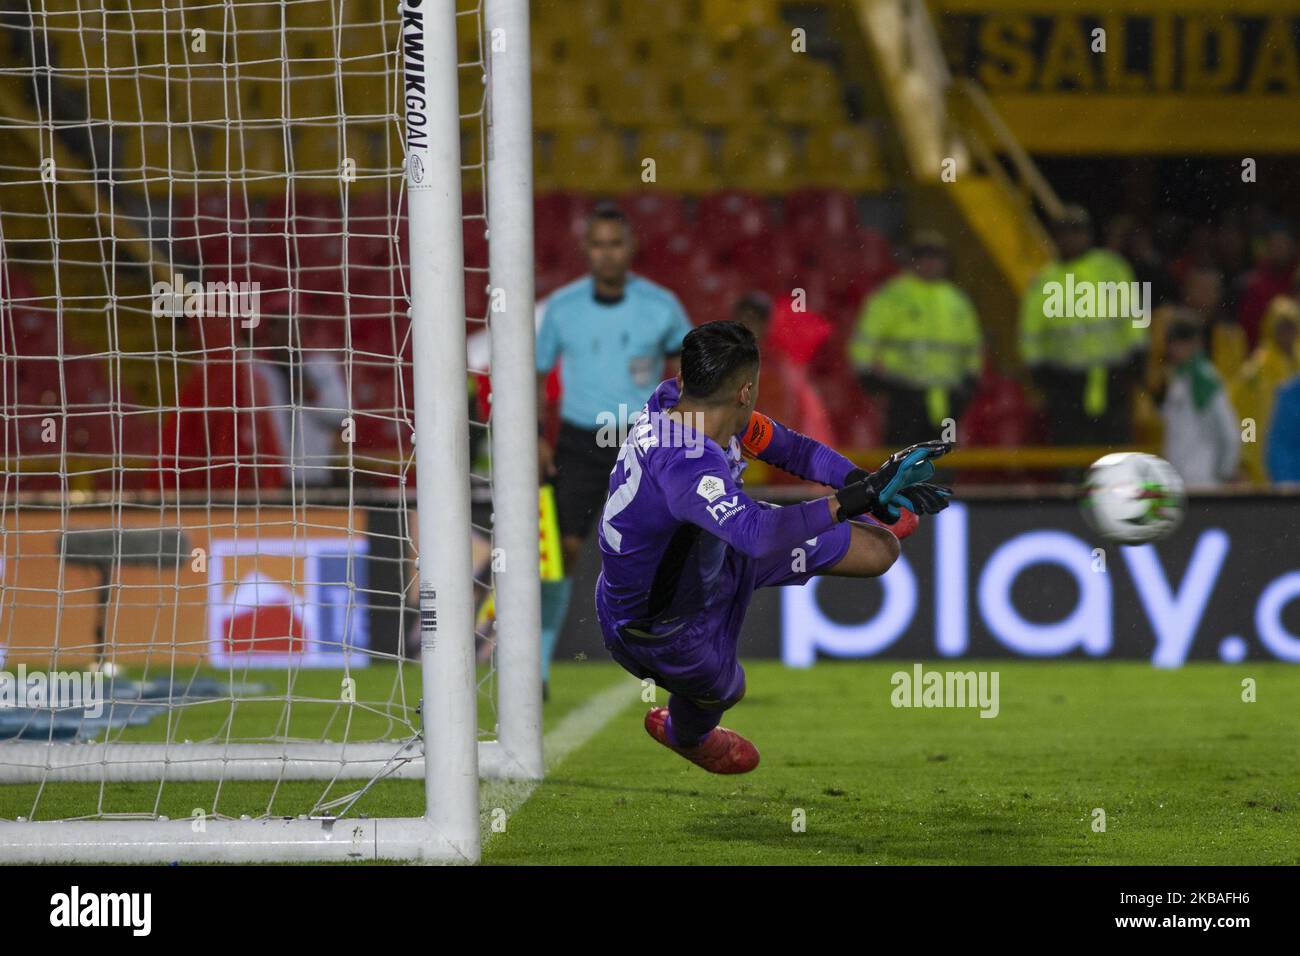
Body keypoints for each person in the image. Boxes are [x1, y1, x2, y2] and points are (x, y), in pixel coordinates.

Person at [595, 321, 952, 773]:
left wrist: (866, 485)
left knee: (879, 550)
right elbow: (757, 535)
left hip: (716, 552)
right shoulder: (683, 461)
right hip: (659, 626)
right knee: (726, 690)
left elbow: (794, 450)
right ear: (746, 391)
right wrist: (851, 502)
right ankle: (681, 733)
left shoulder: (683, 404)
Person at [535, 202, 694, 699]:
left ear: (631, 248)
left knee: (664, 550)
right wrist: (537, 437)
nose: (606, 254)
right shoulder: (561, 308)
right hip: (581, 442)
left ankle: (680, 661)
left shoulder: (662, 305)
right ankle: (536, 667)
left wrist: (684, 427)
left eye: (615, 244)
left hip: (642, 438)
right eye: (598, 244)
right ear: (587, 249)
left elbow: (691, 368)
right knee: (560, 553)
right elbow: (534, 376)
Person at [1019, 205, 1147, 446]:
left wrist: (1138, 354)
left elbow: (1134, 313)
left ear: (1089, 234)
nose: (1071, 238)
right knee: (1070, 452)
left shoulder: (1112, 267)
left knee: (1115, 450)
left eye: (1077, 231)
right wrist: (1038, 368)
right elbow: (1031, 331)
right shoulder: (1045, 279)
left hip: (1113, 378)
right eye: (1064, 232)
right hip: (1066, 383)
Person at [849, 231, 982, 445]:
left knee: (941, 465)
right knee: (902, 462)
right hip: (902, 395)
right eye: (923, 256)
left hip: (948, 398)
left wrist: (970, 381)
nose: (930, 263)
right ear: (913, 260)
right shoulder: (892, 296)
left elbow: (972, 348)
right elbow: (866, 339)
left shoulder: (958, 302)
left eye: (936, 257)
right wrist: (868, 377)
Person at [1155, 314, 1240, 487]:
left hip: (1203, 482)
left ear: (1193, 343)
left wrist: (1223, 472)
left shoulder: (1205, 380)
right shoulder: (1180, 378)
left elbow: (1229, 433)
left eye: (1177, 343)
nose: (1173, 350)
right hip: (1180, 480)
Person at [1232, 296, 1300, 482]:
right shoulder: (1256, 371)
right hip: (1261, 457)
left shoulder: (1298, 363)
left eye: (1291, 327)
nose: (1287, 333)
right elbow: (1245, 416)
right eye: (1282, 327)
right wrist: (1246, 456)